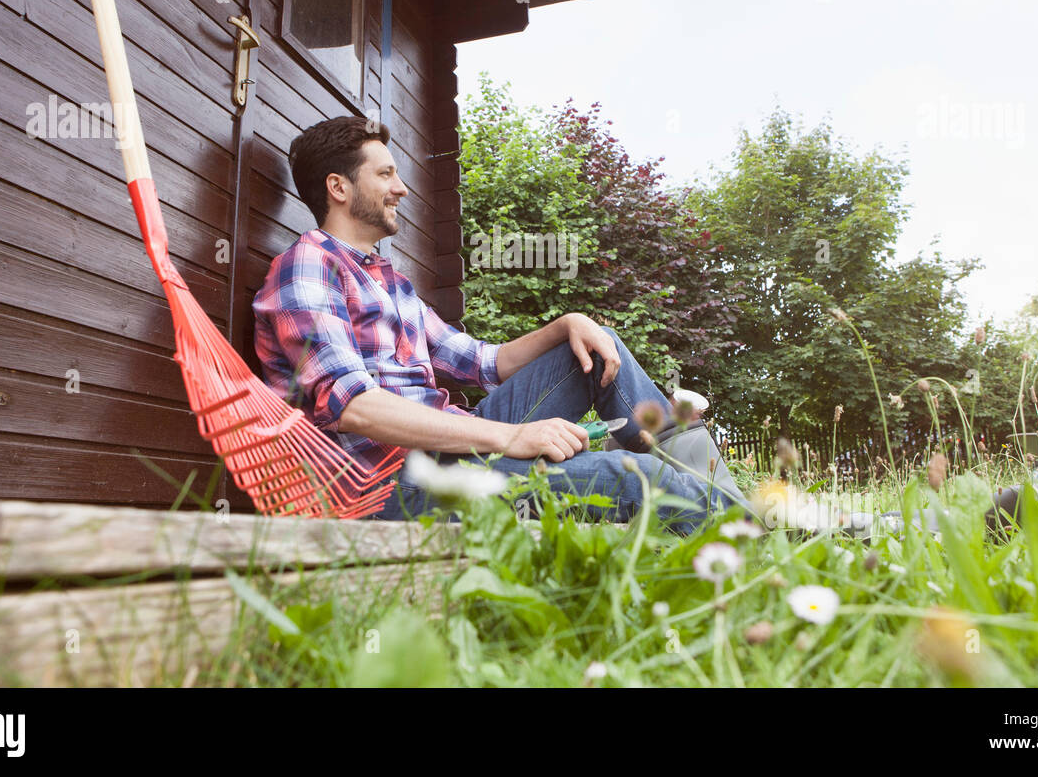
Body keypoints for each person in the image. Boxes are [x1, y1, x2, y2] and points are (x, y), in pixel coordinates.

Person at [252, 115, 739, 533]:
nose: (400, 188)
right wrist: (510, 438)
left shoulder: (389, 282)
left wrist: (566, 323)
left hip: (448, 454)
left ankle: (722, 495)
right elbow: (352, 408)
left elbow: (483, 362)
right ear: (339, 187)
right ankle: (749, 537)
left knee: (591, 344)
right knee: (638, 476)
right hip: (388, 492)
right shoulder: (308, 266)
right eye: (385, 174)